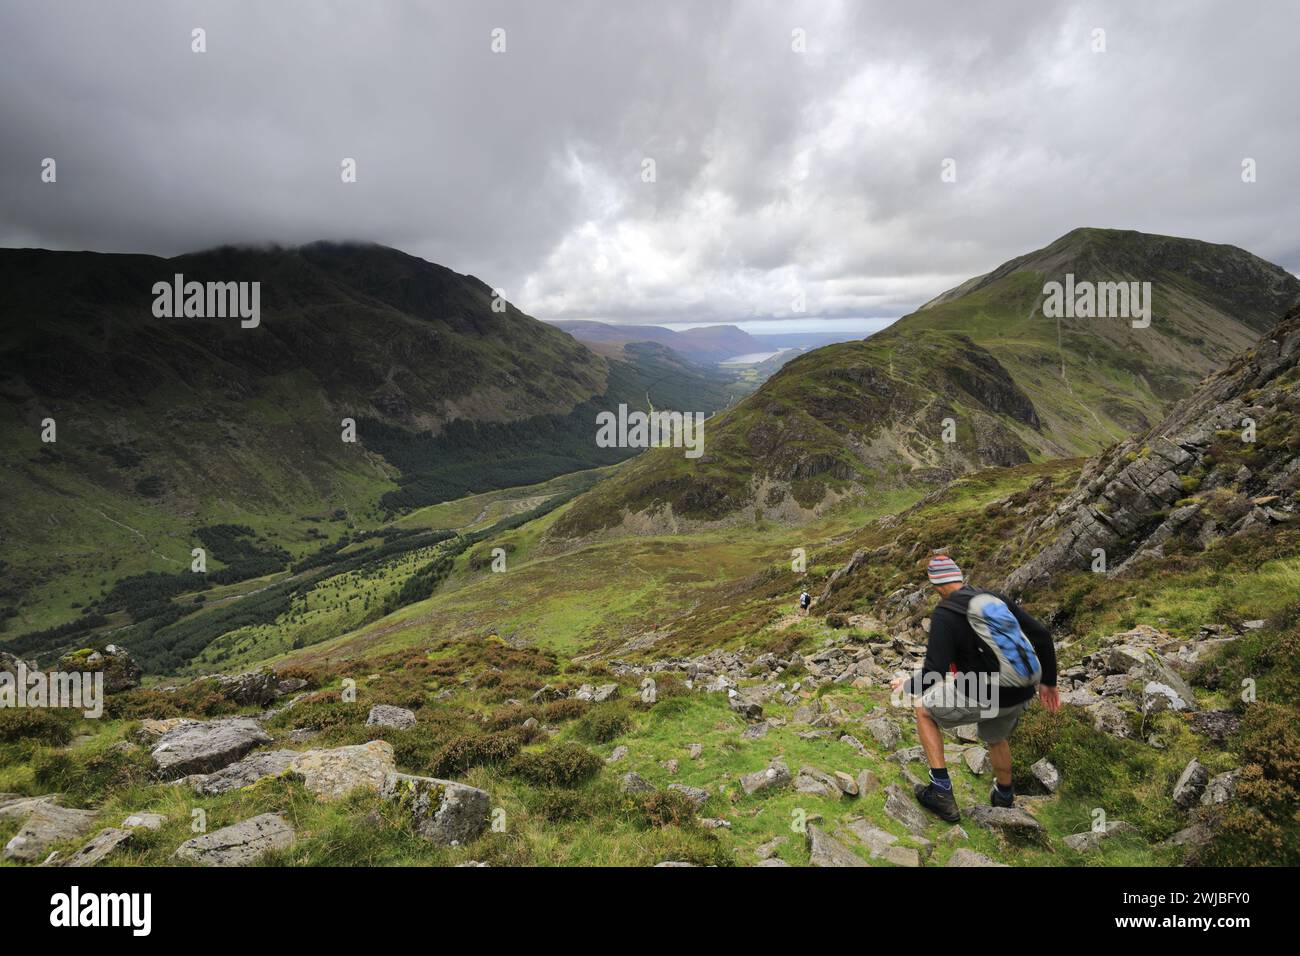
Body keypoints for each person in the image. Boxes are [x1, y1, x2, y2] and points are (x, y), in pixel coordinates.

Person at [890, 554, 1059, 822]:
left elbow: (934, 672)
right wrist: (1049, 680)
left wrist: (907, 685)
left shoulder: (945, 613)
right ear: (959, 577)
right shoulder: (991, 597)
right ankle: (1004, 795)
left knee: (923, 709)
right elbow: (1040, 633)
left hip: (988, 691)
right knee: (995, 737)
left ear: (936, 586)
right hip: (1021, 690)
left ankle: (941, 792)